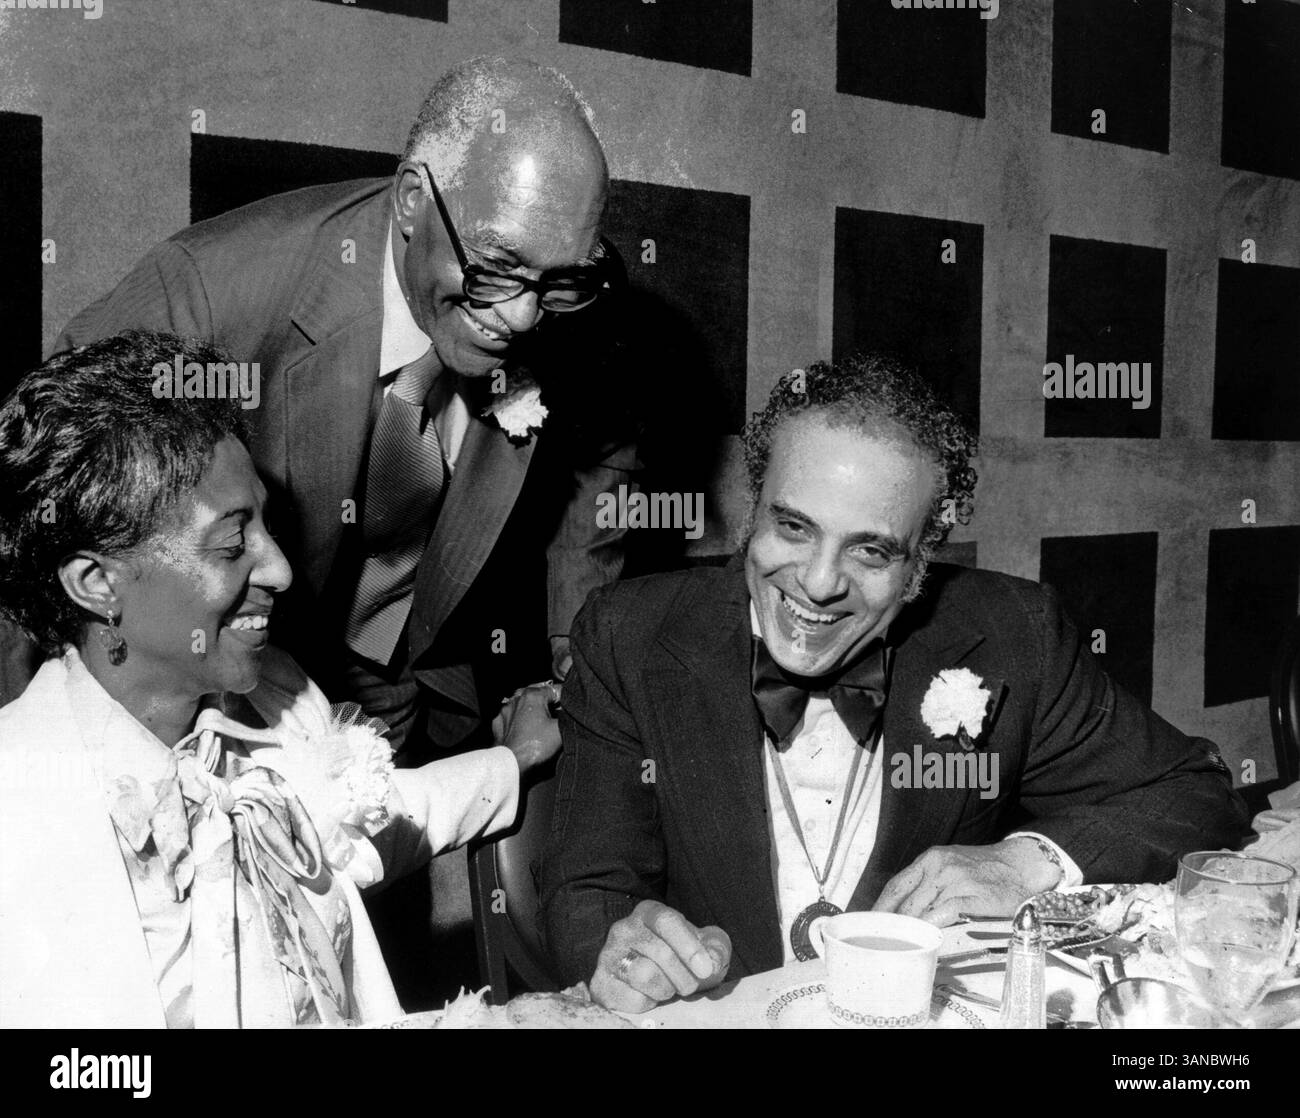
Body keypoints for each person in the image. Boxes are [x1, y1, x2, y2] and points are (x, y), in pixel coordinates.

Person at [539, 353, 1251, 1013]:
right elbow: (590, 889)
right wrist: (626, 951)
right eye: (792, 527)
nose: (818, 583)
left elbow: (1196, 794)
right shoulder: (629, 634)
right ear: (755, 509)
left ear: (919, 567)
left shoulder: (1015, 634)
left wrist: (1025, 863)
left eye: (871, 550)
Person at [37, 55, 634, 757]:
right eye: (495, 268)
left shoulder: (564, 294)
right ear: (413, 199)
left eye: (557, 281)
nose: (525, 316)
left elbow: (605, 449)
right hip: (229, 689)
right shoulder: (209, 292)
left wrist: (574, 628)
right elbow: (47, 490)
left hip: (424, 691)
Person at [0, 331, 560, 1027]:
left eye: (264, 524)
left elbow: (370, 823)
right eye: (233, 543)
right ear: (96, 582)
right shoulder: (19, 803)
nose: (281, 571)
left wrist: (513, 759)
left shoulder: (277, 697)